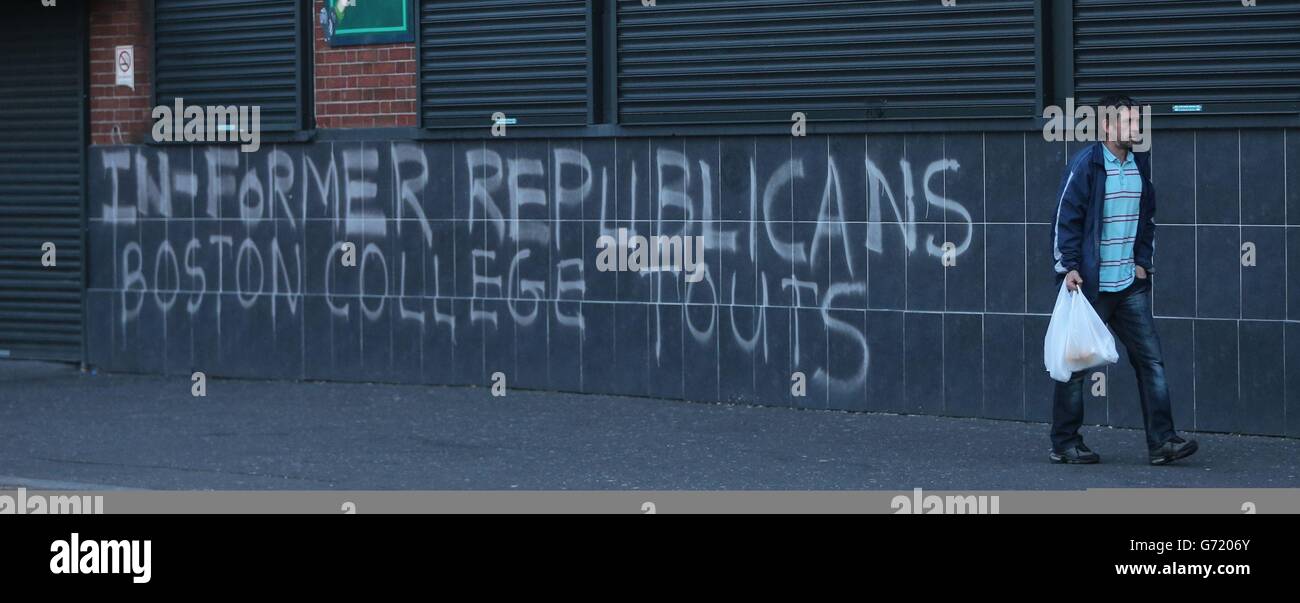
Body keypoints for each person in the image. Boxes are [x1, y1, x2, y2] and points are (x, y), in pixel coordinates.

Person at [1048, 94, 1198, 466]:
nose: (1136, 129)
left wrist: (1143, 263)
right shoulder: (1086, 165)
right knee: (1077, 367)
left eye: (1137, 122)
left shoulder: (1139, 166)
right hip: (1091, 285)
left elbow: (1147, 219)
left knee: (1152, 362)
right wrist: (1067, 267)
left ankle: (1163, 443)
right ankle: (1065, 443)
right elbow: (1065, 220)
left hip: (1128, 286)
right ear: (1107, 127)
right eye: (1129, 123)